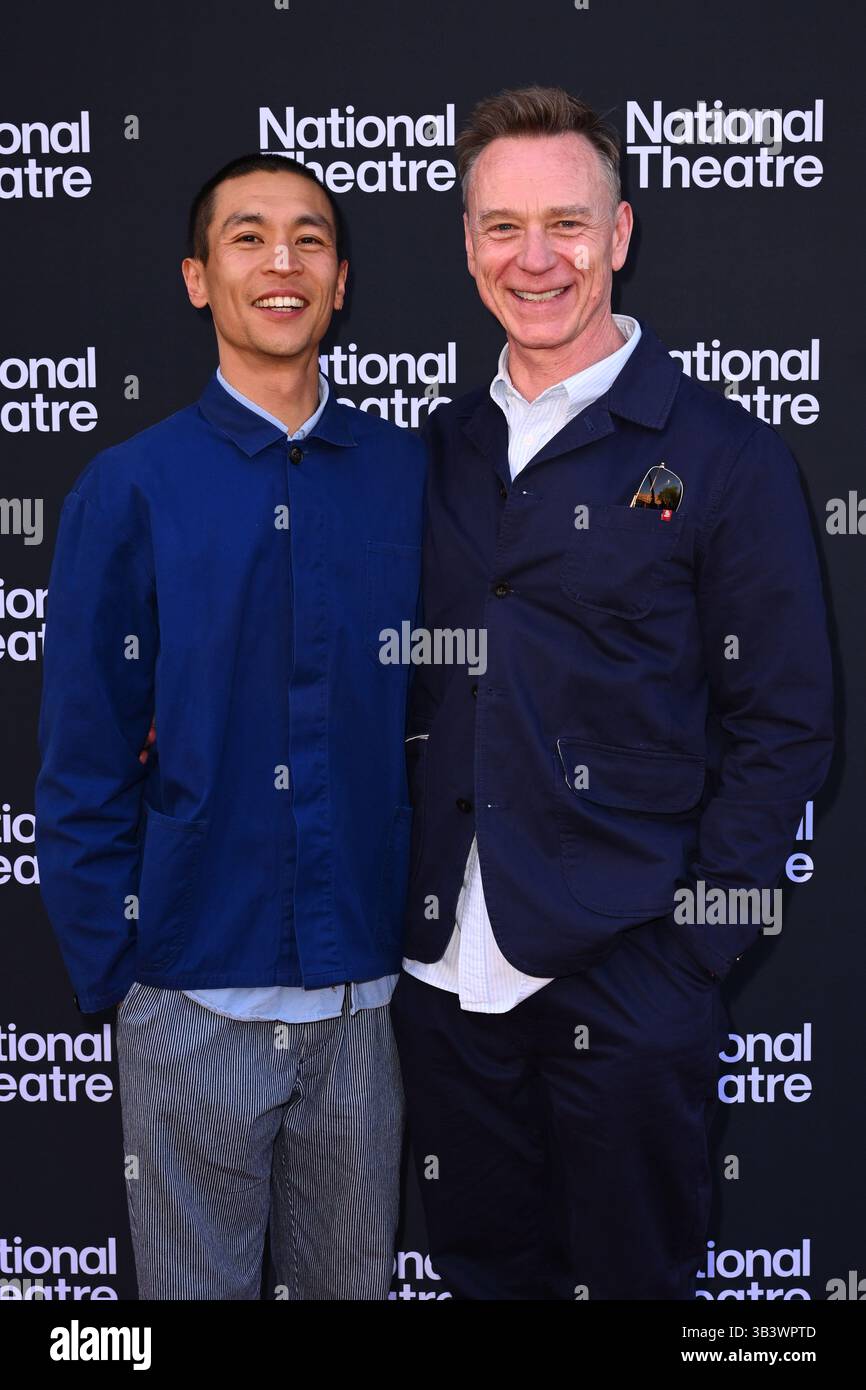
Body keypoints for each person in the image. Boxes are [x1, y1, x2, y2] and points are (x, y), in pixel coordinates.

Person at [389, 85, 834, 1300]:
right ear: (465, 241)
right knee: (486, 1280)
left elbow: (787, 722)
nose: (533, 259)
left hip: (628, 976)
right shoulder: (433, 453)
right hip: (441, 980)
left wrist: (688, 951)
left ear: (621, 233)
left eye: (566, 224)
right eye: (500, 226)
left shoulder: (722, 456)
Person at [35, 153, 426, 1300]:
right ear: (199, 278)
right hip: (186, 999)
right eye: (247, 237)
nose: (281, 262)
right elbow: (83, 753)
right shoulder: (131, 484)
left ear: (341, 281)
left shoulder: (408, 475)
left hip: (362, 1006)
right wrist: (124, 976)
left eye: (308, 238)